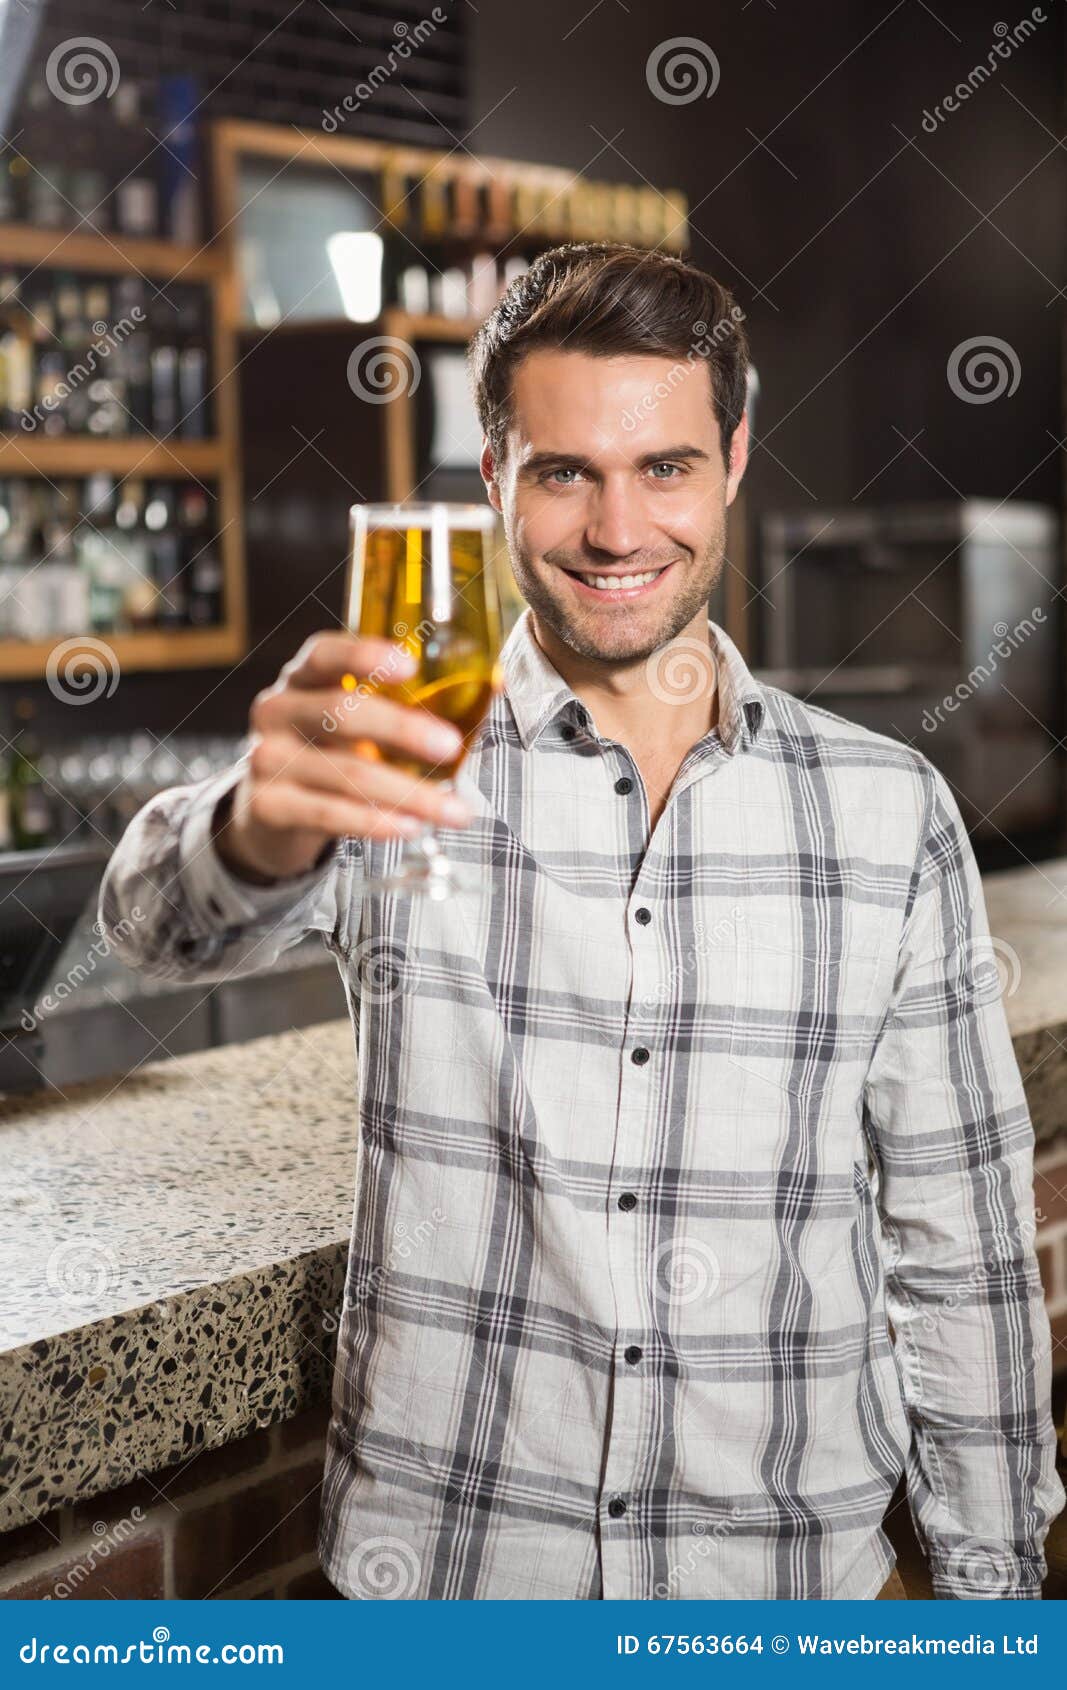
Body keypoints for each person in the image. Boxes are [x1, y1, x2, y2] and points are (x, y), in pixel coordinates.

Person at [98, 242, 1064, 1600]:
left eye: (663, 466)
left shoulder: (885, 812)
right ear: (494, 477)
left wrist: (991, 1591)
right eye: (565, 473)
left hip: (783, 1604)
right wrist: (258, 820)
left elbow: (959, 1248)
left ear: (733, 456)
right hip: (456, 1594)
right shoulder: (391, 774)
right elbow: (148, 927)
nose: (619, 531)